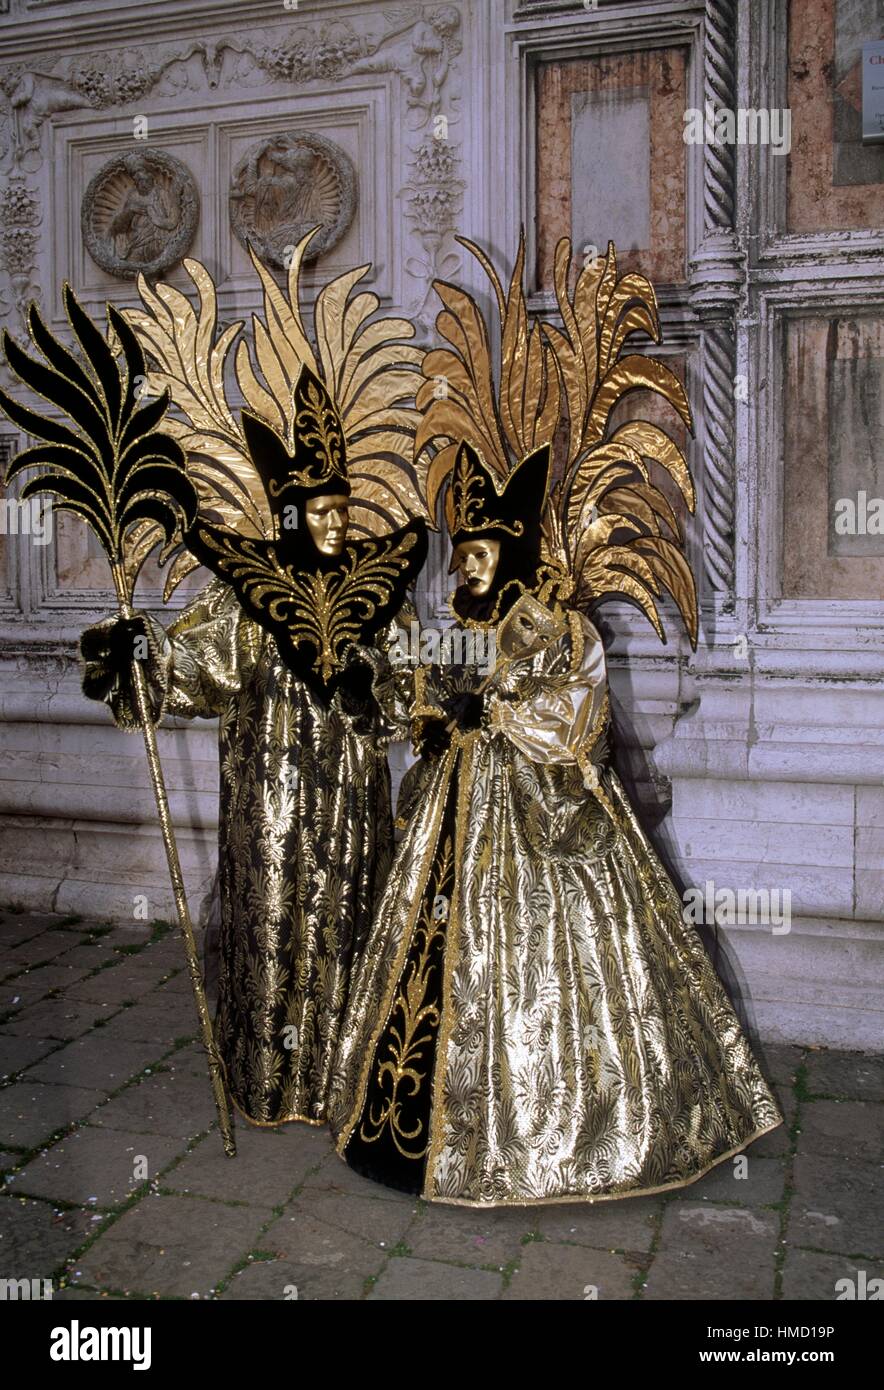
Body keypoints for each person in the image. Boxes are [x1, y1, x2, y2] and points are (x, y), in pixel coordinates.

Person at [328, 427, 782, 1206]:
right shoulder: (463, 633)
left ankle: (561, 1138)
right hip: (455, 811)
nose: (466, 564)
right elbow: (426, 697)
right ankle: (413, 1126)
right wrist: (397, 694)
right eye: (461, 550)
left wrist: (497, 710)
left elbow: (580, 720)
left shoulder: (559, 629)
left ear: (514, 551)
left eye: (480, 552)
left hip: (540, 823)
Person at [79, 357, 427, 1131]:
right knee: (272, 915)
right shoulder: (247, 593)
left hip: (351, 797)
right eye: (323, 511)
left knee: (350, 920)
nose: (339, 523)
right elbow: (199, 672)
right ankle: (272, 1079)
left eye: (346, 508)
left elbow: (411, 693)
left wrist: (377, 683)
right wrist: (141, 655)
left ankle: (341, 1078)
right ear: (293, 514)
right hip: (269, 791)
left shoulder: (378, 595)